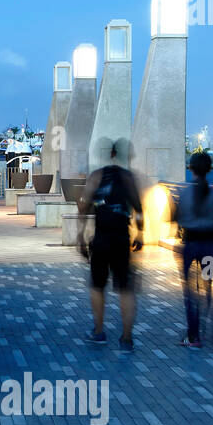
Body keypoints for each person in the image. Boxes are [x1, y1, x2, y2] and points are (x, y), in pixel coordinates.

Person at [77, 141, 144, 350]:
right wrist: (140, 234)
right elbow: (139, 209)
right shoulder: (129, 177)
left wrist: (81, 236)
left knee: (98, 286)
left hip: (101, 238)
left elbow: (83, 206)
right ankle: (126, 338)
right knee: (126, 289)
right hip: (122, 238)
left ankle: (99, 332)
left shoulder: (97, 176)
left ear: (110, 154)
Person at [172, 152, 213, 347]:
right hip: (209, 245)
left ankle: (193, 336)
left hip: (191, 245)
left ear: (191, 168)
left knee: (190, 291)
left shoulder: (184, 194)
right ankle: (211, 327)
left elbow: (176, 218)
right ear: (209, 169)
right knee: (207, 285)